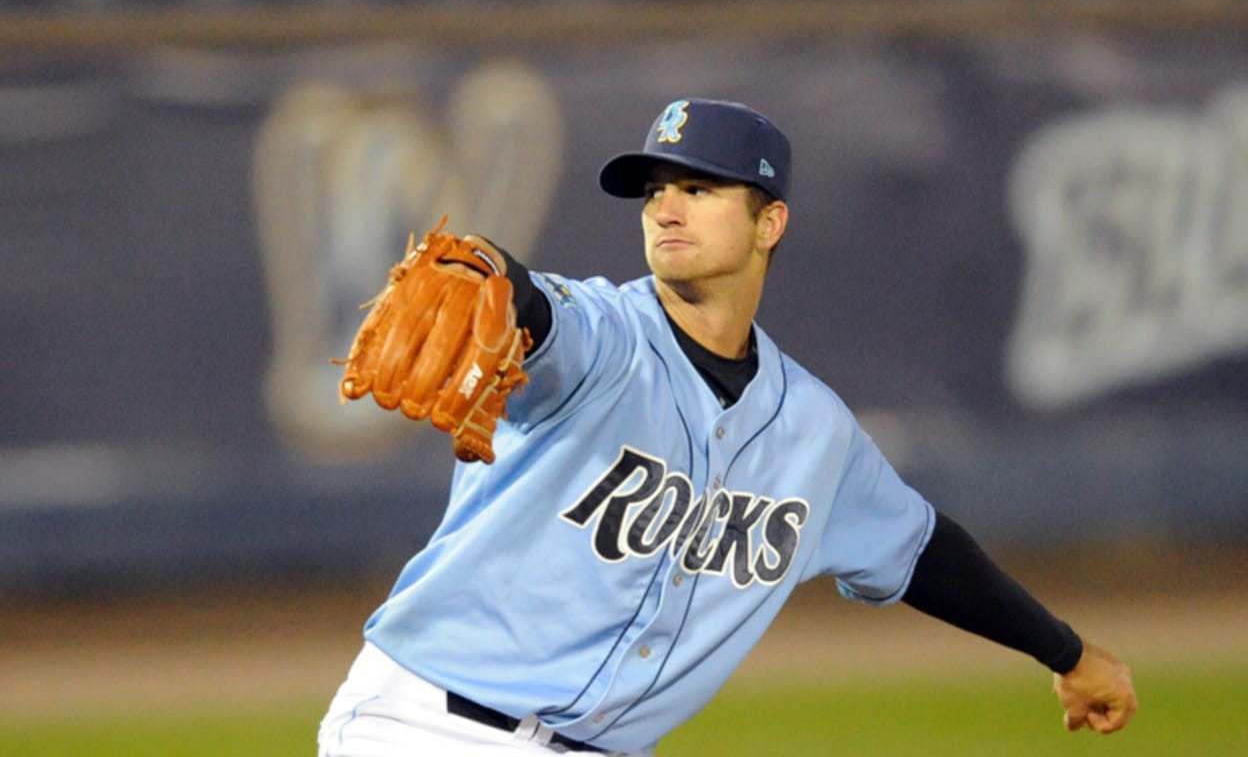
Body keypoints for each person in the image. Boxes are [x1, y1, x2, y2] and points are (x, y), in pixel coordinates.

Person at [317, 98, 1138, 757]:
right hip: (421, 728)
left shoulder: (813, 430)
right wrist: (488, 267)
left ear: (768, 223)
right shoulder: (603, 337)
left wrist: (1068, 654)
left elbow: (923, 550)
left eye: (699, 189)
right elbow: (532, 305)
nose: (666, 208)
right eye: (655, 190)